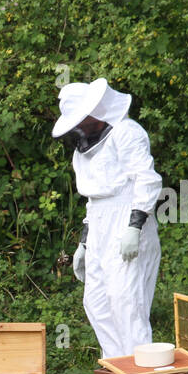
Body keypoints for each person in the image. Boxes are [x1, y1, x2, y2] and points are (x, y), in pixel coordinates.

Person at [52, 78, 163, 358]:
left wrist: (134, 228)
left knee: (126, 302)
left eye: (81, 119)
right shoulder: (82, 153)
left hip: (127, 219)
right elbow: (94, 202)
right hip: (100, 226)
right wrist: (84, 244)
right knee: (97, 303)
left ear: (95, 112)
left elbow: (146, 180)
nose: (77, 127)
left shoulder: (127, 132)